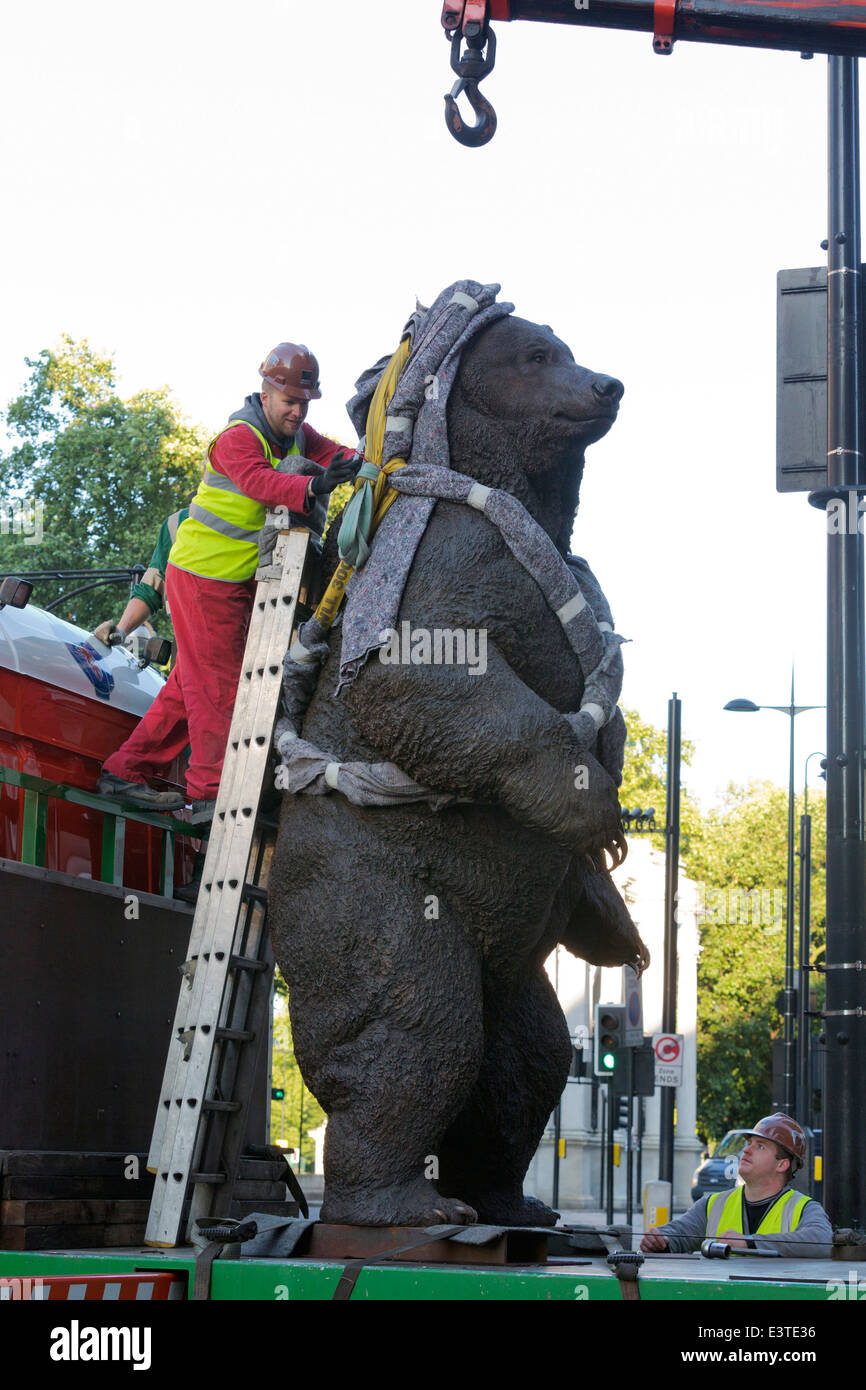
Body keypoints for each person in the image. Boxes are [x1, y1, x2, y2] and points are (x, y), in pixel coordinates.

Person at [97, 342, 359, 818]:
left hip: (230, 583)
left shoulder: (299, 435)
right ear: (266, 393)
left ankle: (123, 772)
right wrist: (317, 484)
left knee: (187, 687)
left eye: (304, 404)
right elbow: (262, 482)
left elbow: (334, 452)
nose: (298, 412)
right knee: (218, 688)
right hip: (203, 578)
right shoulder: (236, 437)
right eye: (290, 403)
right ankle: (209, 794)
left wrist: (358, 464)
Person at [640, 1113, 832, 1258]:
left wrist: (749, 1243)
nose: (746, 1150)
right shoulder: (713, 1204)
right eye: (749, 1143)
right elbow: (679, 1232)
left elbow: (822, 1241)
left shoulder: (804, 1208)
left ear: (782, 1164)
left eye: (760, 1146)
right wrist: (660, 1240)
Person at [91, 506, 190, 651]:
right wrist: (121, 631)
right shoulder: (176, 524)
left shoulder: (233, 517)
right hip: (188, 653)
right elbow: (152, 587)